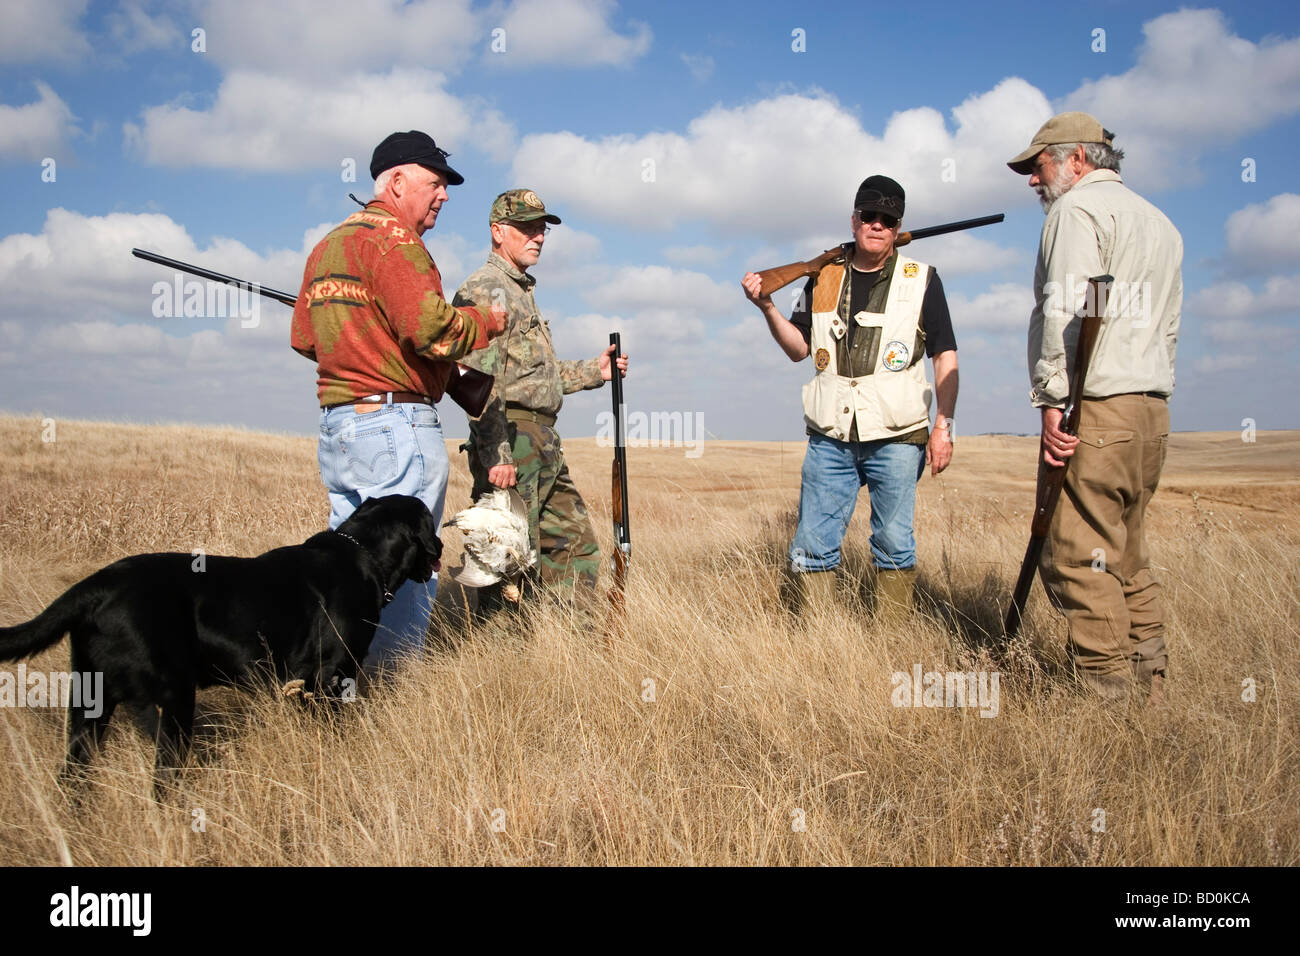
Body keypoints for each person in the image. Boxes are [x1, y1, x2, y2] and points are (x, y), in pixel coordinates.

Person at [291, 130, 506, 673]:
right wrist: (486, 322)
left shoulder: (327, 246)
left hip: (340, 429)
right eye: (435, 182)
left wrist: (364, 339)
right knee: (407, 564)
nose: (445, 195)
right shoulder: (394, 242)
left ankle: (337, 678)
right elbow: (431, 330)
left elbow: (305, 338)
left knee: (349, 568)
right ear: (396, 180)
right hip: (395, 425)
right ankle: (390, 685)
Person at [1007, 111, 1183, 704]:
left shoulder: (1075, 212)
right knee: (1128, 549)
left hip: (1096, 405)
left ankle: (1108, 698)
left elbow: (1064, 311)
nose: (1034, 180)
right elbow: (1170, 328)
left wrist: (1053, 401)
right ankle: (1151, 681)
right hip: (1150, 410)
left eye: (1039, 166)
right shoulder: (1161, 223)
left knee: (1084, 555)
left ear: (1076, 161)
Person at [741, 175, 958, 625]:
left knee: (895, 541)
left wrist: (944, 426)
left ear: (897, 227)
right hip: (831, 436)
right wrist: (767, 307)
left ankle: (891, 642)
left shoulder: (923, 280)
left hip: (898, 436)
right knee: (813, 541)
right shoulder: (821, 276)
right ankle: (813, 640)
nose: (877, 225)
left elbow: (945, 356)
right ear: (854, 219)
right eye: (869, 216)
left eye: (888, 219)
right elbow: (799, 349)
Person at [452, 189, 628, 613]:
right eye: (527, 228)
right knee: (507, 559)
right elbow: (472, 381)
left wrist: (594, 372)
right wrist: (496, 453)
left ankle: (571, 654)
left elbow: (534, 378)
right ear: (498, 232)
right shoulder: (486, 289)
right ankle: (503, 661)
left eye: (541, 228)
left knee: (574, 546)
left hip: (542, 440)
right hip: (510, 439)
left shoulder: (519, 290)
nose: (539, 237)